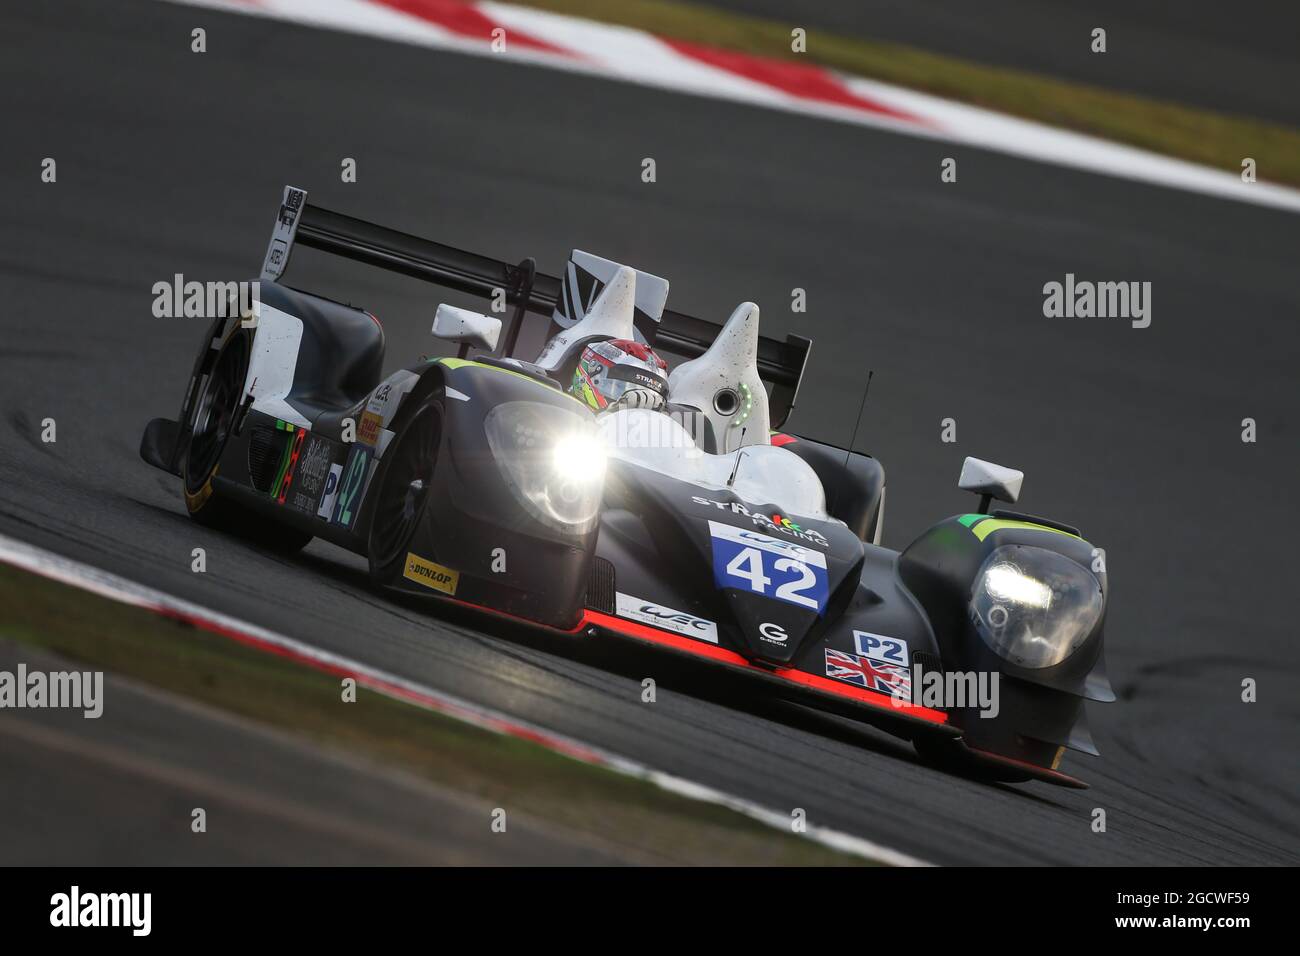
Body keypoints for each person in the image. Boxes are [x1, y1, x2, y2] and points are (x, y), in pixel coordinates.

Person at [569, 338, 670, 413]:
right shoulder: (559, 411)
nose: (635, 403)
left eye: (649, 399)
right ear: (592, 368)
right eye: (620, 386)